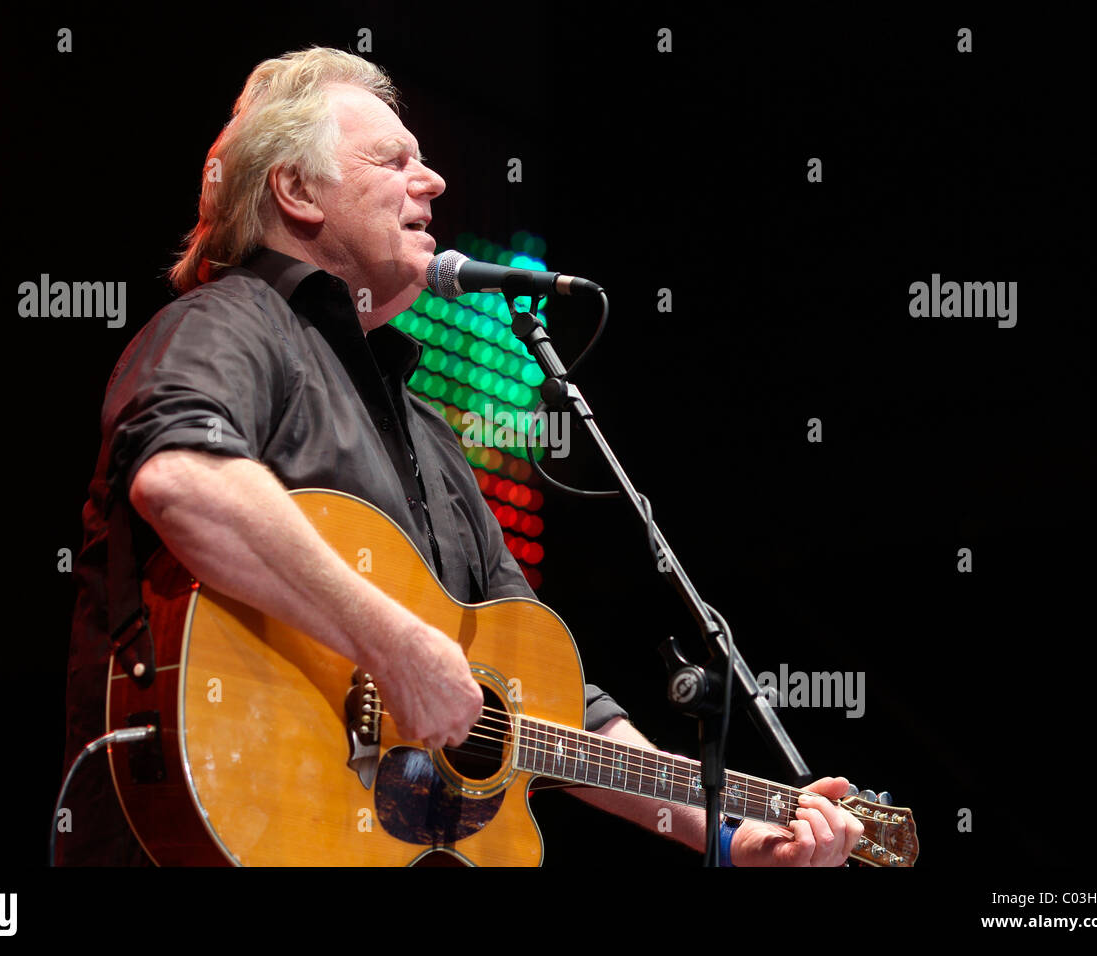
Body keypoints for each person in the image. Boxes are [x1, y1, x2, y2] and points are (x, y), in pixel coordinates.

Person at [58, 47, 863, 867]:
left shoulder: (428, 431)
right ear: (296, 192)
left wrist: (732, 832)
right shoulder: (230, 322)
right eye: (394, 160)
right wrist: (396, 647)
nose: (433, 181)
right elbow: (184, 480)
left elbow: (552, 703)